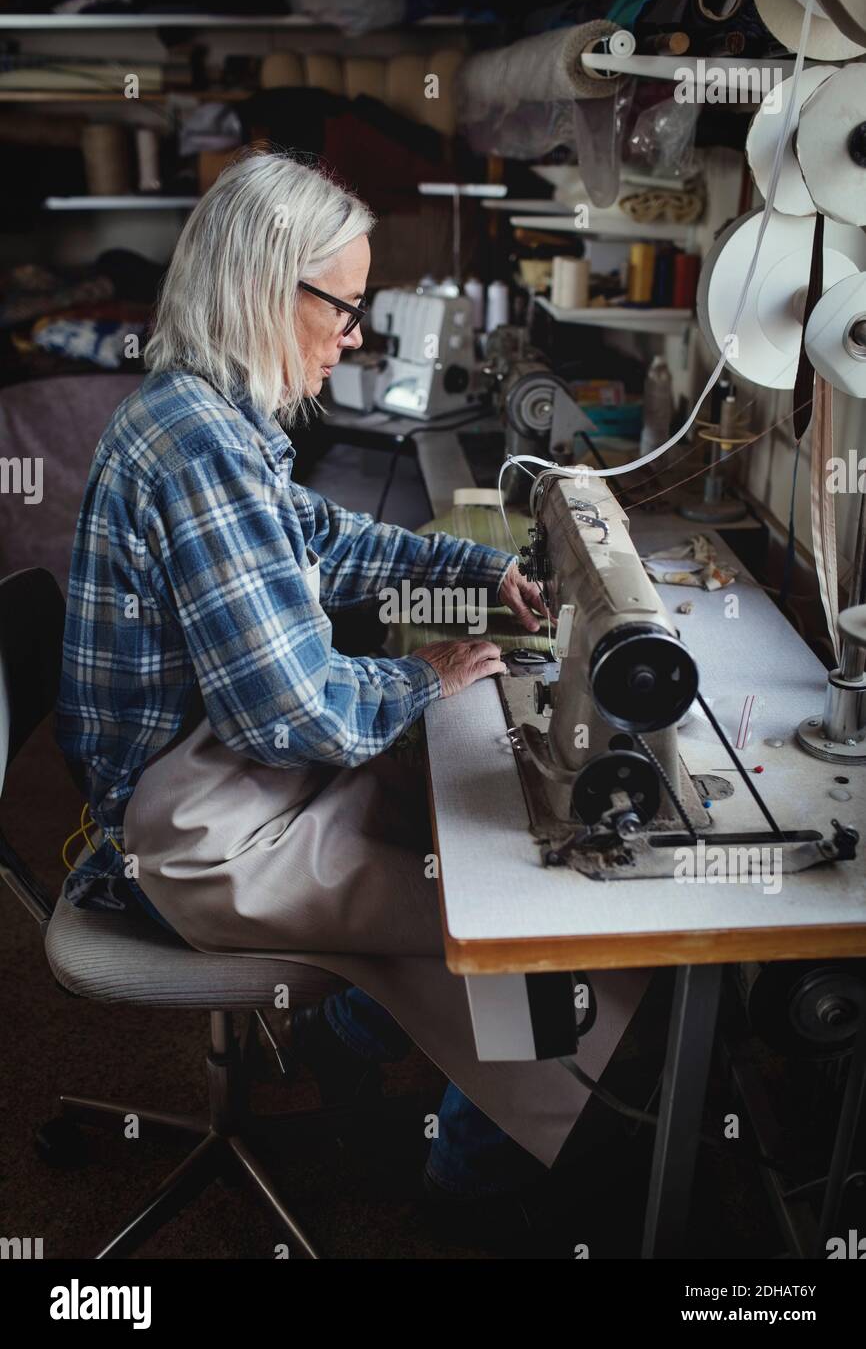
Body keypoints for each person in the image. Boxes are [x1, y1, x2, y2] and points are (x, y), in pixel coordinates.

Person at [56, 150, 636, 1244]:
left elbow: (322, 539)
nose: (355, 334)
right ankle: (480, 1175)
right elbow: (294, 715)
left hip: (212, 785)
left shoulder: (213, 417)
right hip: (181, 840)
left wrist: (468, 574)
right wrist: (429, 670)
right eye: (347, 306)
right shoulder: (196, 449)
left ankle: (362, 1044)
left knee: (441, 815)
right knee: (526, 915)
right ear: (267, 289)